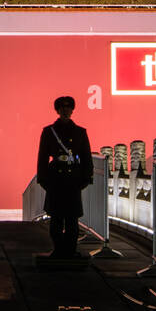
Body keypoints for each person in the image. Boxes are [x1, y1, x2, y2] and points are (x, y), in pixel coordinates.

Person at [36, 96, 93, 258]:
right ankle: (58, 249)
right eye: (62, 108)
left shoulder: (80, 132)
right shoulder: (48, 132)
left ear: (72, 110)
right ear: (57, 110)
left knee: (72, 219)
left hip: (73, 179)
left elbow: (86, 157)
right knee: (56, 218)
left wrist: (86, 177)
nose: (65, 111)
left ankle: (70, 250)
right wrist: (43, 178)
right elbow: (42, 157)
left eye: (68, 108)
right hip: (55, 179)